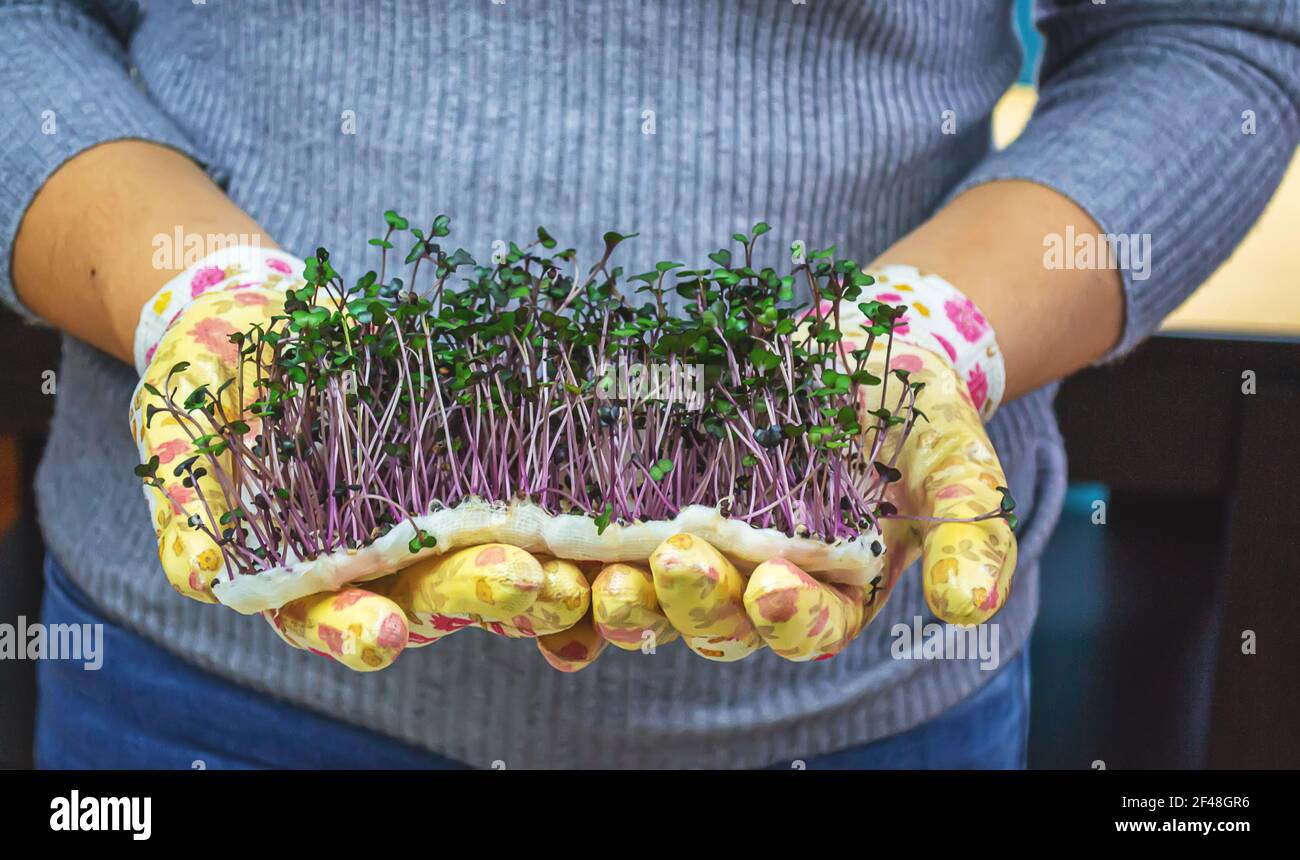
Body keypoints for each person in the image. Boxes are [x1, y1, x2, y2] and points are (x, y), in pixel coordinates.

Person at [2, 1, 1295, 769]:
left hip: (863, 715)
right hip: (188, 690)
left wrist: (929, 337)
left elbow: (1205, 32)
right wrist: (187, 288)